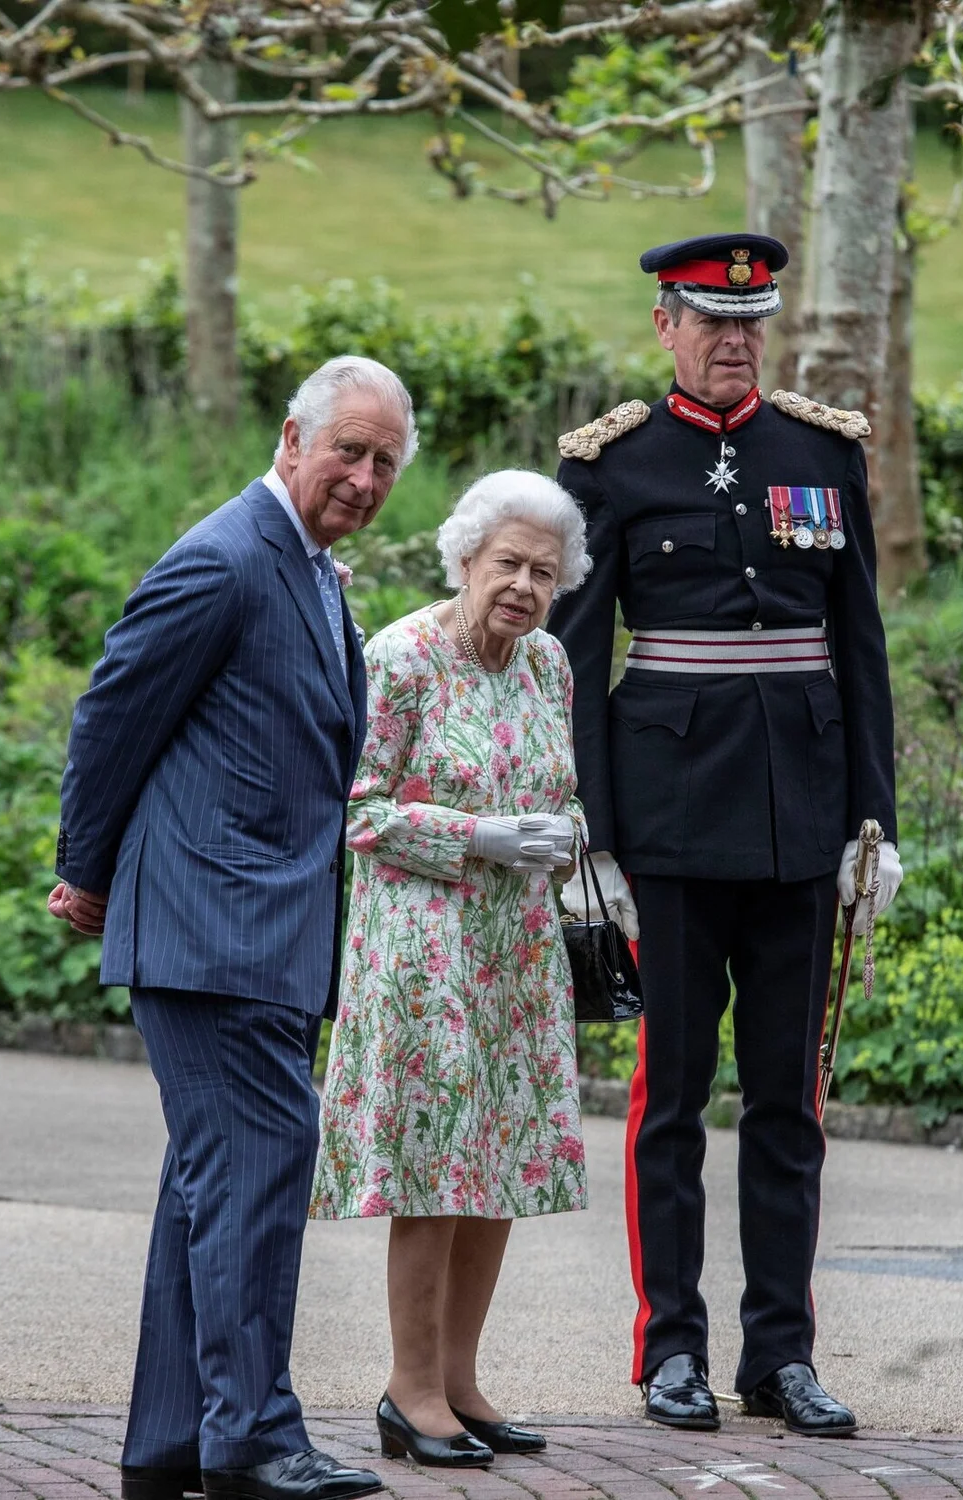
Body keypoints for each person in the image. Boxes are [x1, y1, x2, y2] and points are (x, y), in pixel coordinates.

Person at [549, 235, 903, 1439]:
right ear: (664, 326)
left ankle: (779, 1356)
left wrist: (873, 822)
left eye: (751, 318)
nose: (734, 337)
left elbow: (860, 655)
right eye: (710, 317)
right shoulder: (611, 467)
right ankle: (671, 1352)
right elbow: (576, 661)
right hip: (669, 829)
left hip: (801, 822)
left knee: (788, 1106)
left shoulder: (822, 453)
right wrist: (592, 839)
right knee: (670, 1103)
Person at [47, 355, 418, 1500]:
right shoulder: (223, 557)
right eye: (346, 450)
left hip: (259, 927)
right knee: (259, 1168)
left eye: (383, 463)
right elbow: (114, 710)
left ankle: (171, 1443)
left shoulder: (306, 567)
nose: (360, 476)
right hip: (212, 929)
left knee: (211, 1186)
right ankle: (253, 1438)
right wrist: (86, 873)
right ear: (290, 437)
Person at [309, 470, 591, 1469]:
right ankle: (409, 1389)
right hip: (423, 953)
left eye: (543, 573)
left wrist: (561, 836)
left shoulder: (549, 664)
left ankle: (462, 1381)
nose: (522, 585)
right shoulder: (401, 657)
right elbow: (357, 808)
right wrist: (477, 835)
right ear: (465, 558)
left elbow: (556, 787)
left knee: (500, 1164)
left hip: (516, 955)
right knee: (434, 1167)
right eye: (507, 563)